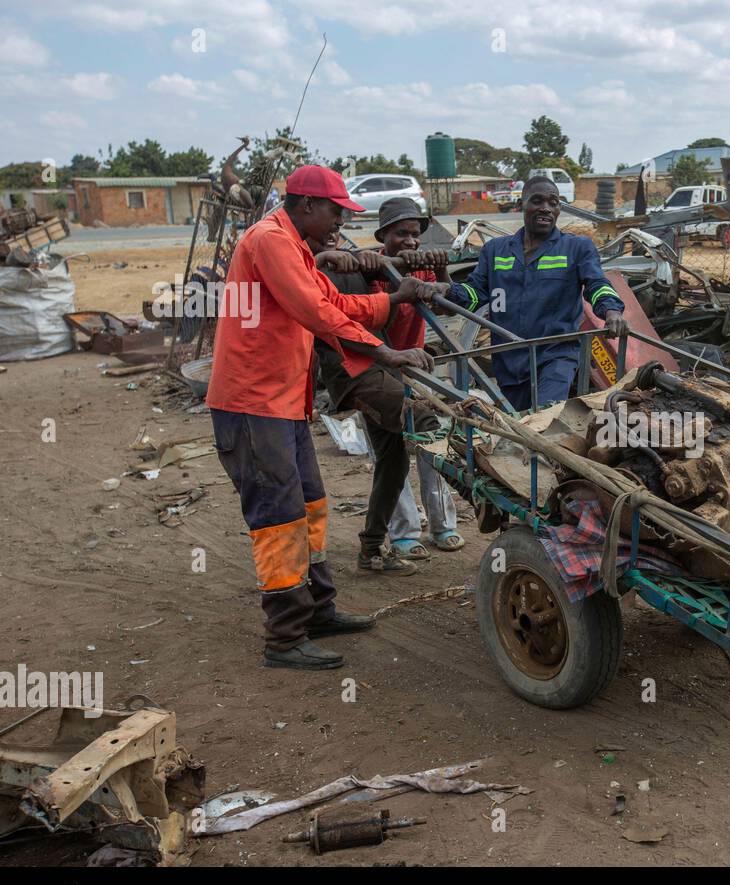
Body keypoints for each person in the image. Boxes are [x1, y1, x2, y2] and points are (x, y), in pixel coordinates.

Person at [206, 164, 435, 670]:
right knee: (279, 518)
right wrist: (383, 352)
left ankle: (318, 609)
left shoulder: (295, 243)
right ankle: (284, 638)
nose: (339, 222)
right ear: (307, 204)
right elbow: (313, 309)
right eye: (335, 211)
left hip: (284, 402)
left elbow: (331, 299)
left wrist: (389, 300)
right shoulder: (269, 240)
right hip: (252, 404)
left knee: (310, 506)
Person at [310, 197, 464, 567]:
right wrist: (391, 287)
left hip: (399, 367)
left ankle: (373, 546)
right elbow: (355, 318)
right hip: (362, 369)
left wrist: (439, 272)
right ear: (382, 236)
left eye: (415, 235)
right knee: (429, 423)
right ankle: (416, 527)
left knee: (395, 460)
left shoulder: (406, 265)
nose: (410, 241)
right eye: (401, 234)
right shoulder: (362, 267)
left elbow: (445, 303)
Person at [445, 175, 626, 411]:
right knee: (522, 424)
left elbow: (597, 284)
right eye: (537, 201)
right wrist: (446, 289)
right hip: (509, 359)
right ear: (521, 205)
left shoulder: (576, 248)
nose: (546, 208)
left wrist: (611, 311)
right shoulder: (495, 251)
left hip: (556, 354)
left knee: (545, 416)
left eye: (554, 202)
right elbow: (474, 294)